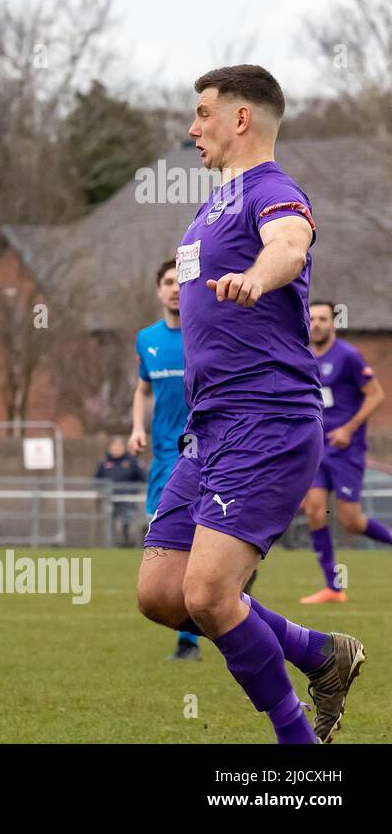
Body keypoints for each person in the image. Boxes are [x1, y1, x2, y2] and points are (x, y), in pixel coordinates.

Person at [135, 64, 364, 744]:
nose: (191, 126)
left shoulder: (274, 190)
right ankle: (319, 653)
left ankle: (298, 746)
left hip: (268, 421)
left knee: (207, 594)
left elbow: (289, 246)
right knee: (161, 594)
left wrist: (258, 277)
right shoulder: (209, 205)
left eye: (203, 112)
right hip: (210, 432)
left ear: (241, 119)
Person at [129, 258, 200, 660]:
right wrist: (137, 428)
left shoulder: (203, 334)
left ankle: (189, 641)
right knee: (162, 543)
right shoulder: (147, 340)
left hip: (204, 452)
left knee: (192, 546)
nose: (175, 288)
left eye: (180, 281)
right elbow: (142, 389)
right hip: (162, 459)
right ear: (158, 290)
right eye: (168, 282)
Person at [299, 300, 387, 603]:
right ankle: (333, 587)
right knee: (314, 510)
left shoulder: (348, 356)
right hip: (317, 449)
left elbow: (376, 396)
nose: (317, 324)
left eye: (323, 318)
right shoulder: (304, 357)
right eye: (311, 318)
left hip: (346, 450)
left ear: (334, 322)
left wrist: (348, 429)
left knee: (351, 520)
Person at [95, 435, 145, 546]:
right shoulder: (103, 462)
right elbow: (97, 481)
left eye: (119, 446)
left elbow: (142, 479)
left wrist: (136, 492)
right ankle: (112, 544)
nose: (116, 449)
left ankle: (129, 543)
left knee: (128, 522)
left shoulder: (132, 461)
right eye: (114, 446)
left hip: (128, 500)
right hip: (110, 500)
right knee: (111, 524)